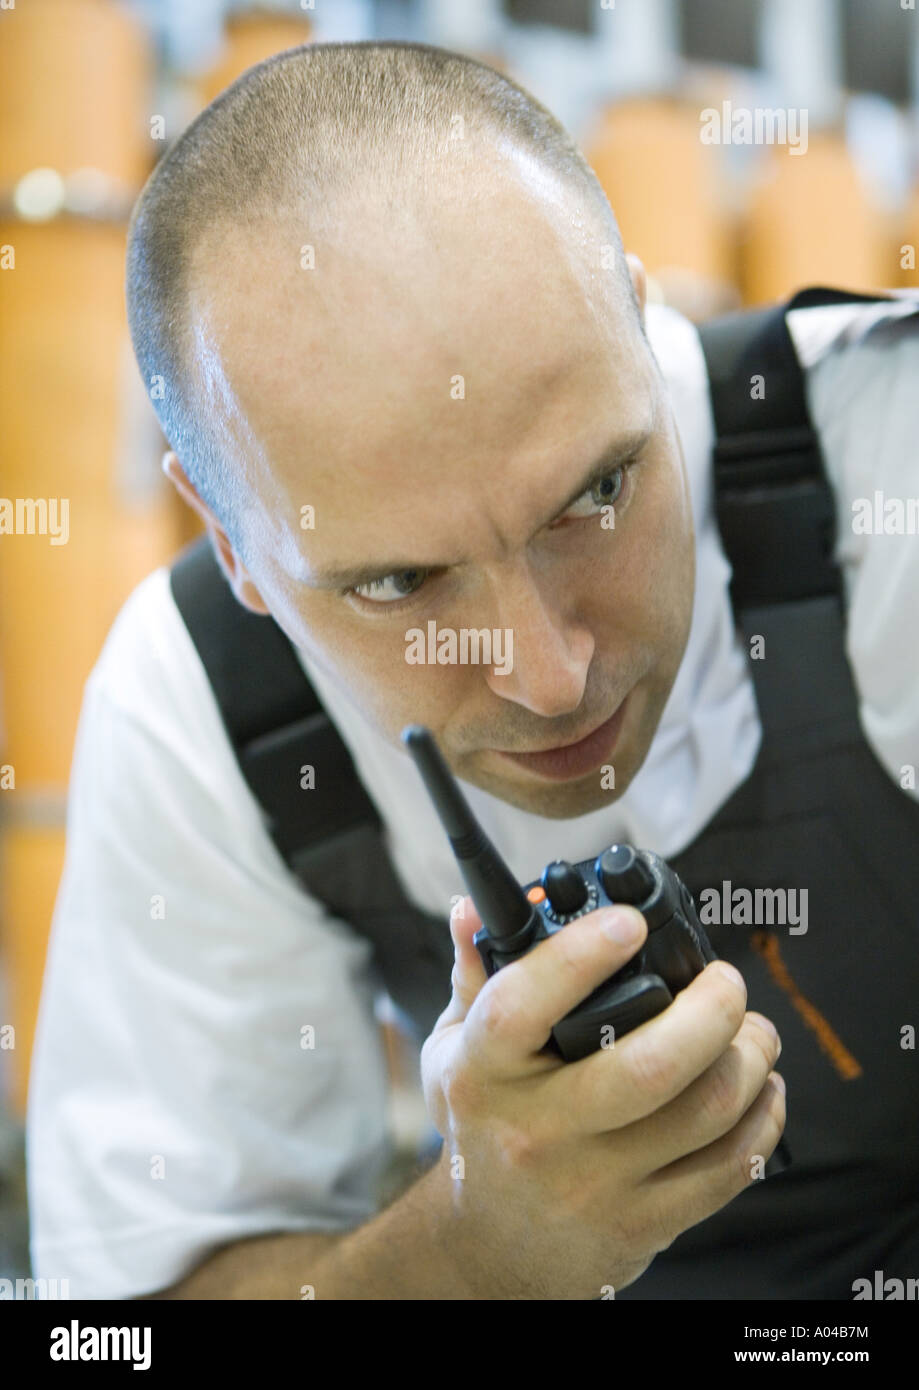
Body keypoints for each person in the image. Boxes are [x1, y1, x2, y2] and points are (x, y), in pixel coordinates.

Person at [26, 41, 919, 1301]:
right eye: (397, 583)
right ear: (233, 549)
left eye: (596, 493)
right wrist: (470, 1244)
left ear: (637, 309)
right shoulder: (204, 709)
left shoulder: (893, 464)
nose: (551, 679)